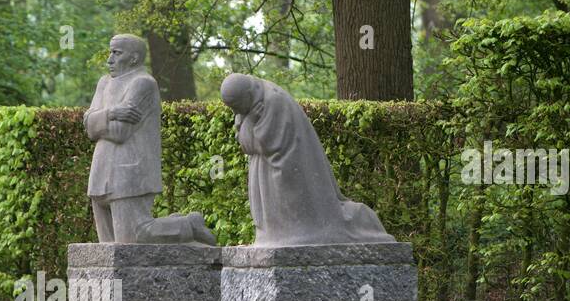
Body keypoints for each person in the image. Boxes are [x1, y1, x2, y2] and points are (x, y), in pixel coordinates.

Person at [220, 73, 394, 247]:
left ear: (248, 95)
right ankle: (278, 235)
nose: (235, 112)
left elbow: (266, 145)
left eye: (236, 106)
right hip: (264, 168)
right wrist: (248, 124)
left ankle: (294, 234)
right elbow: (247, 145)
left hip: (284, 169)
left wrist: (249, 126)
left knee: (295, 215)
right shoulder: (250, 103)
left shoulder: (274, 101)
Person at [85, 35, 216, 244]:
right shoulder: (104, 83)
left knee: (134, 237)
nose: (109, 59)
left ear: (134, 58)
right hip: (100, 171)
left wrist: (100, 118)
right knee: (107, 248)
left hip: (128, 172)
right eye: (110, 52)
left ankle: (187, 226)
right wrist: (112, 112)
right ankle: (179, 223)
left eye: (116, 53)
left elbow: (120, 132)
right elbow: (89, 127)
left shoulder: (143, 84)